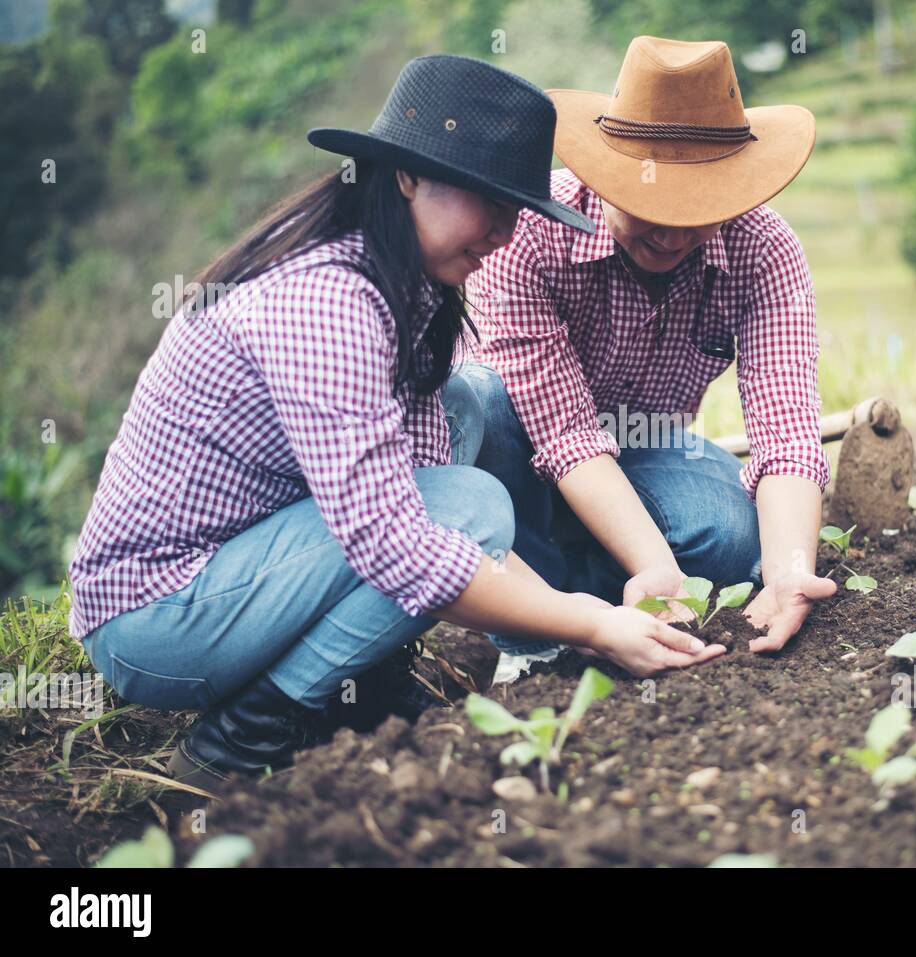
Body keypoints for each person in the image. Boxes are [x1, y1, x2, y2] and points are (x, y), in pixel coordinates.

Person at [67, 54, 723, 792]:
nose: (505, 234)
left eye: (517, 212)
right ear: (407, 176)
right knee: (470, 507)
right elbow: (397, 539)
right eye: (488, 202)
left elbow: (417, 493)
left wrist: (567, 614)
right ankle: (248, 728)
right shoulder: (328, 303)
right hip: (158, 618)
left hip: (246, 573)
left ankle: (360, 681)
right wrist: (590, 622)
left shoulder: (405, 287)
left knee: (463, 418)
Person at [456, 37, 837, 667]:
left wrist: (790, 569)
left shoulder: (765, 250)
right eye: (650, 205)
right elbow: (566, 434)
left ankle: (595, 581)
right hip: (520, 441)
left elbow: (787, 424)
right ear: (604, 176)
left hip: (645, 440)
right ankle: (534, 636)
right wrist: (657, 563)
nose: (672, 232)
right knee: (486, 399)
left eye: (699, 210)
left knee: (734, 539)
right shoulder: (527, 235)